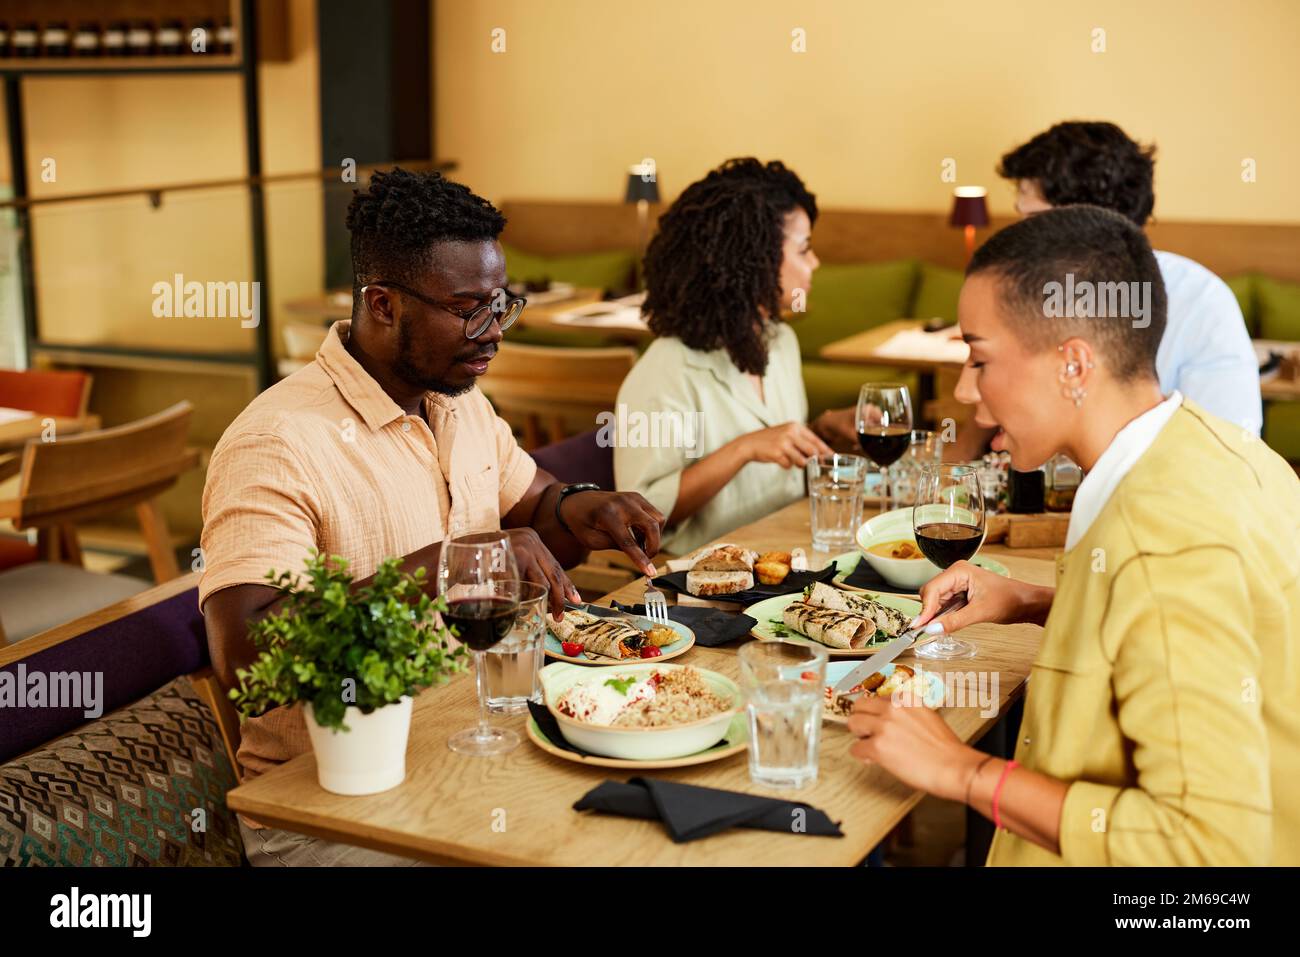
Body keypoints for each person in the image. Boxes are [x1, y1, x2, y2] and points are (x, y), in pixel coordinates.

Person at [200, 168, 664, 865]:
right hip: (335, 807)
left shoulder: (458, 399)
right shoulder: (277, 441)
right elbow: (247, 655)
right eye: (469, 307)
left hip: (476, 749)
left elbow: (533, 500)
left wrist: (584, 507)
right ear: (383, 304)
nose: (493, 331)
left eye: (502, 304)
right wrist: (447, 566)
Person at [846, 205, 1300, 866]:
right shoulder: (1219, 449)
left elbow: (1207, 851)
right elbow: (1191, 634)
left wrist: (960, 770)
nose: (967, 392)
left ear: (1074, 364)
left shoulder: (1161, 538)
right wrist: (1033, 602)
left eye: (978, 358)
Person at [614, 158, 846, 554]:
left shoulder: (780, 342)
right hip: (704, 579)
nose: (815, 263)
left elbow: (770, 447)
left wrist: (821, 431)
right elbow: (640, 516)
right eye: (804, 249)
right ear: (755, 257)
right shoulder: (666, 370)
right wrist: (743, 449)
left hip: (788, 555)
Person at [1000, 121, 1261, 434]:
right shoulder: (1029, 291)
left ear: (1093, 219)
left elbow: (1226, 448)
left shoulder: (1199, 303)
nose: (1023, 237)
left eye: (1033, 220)